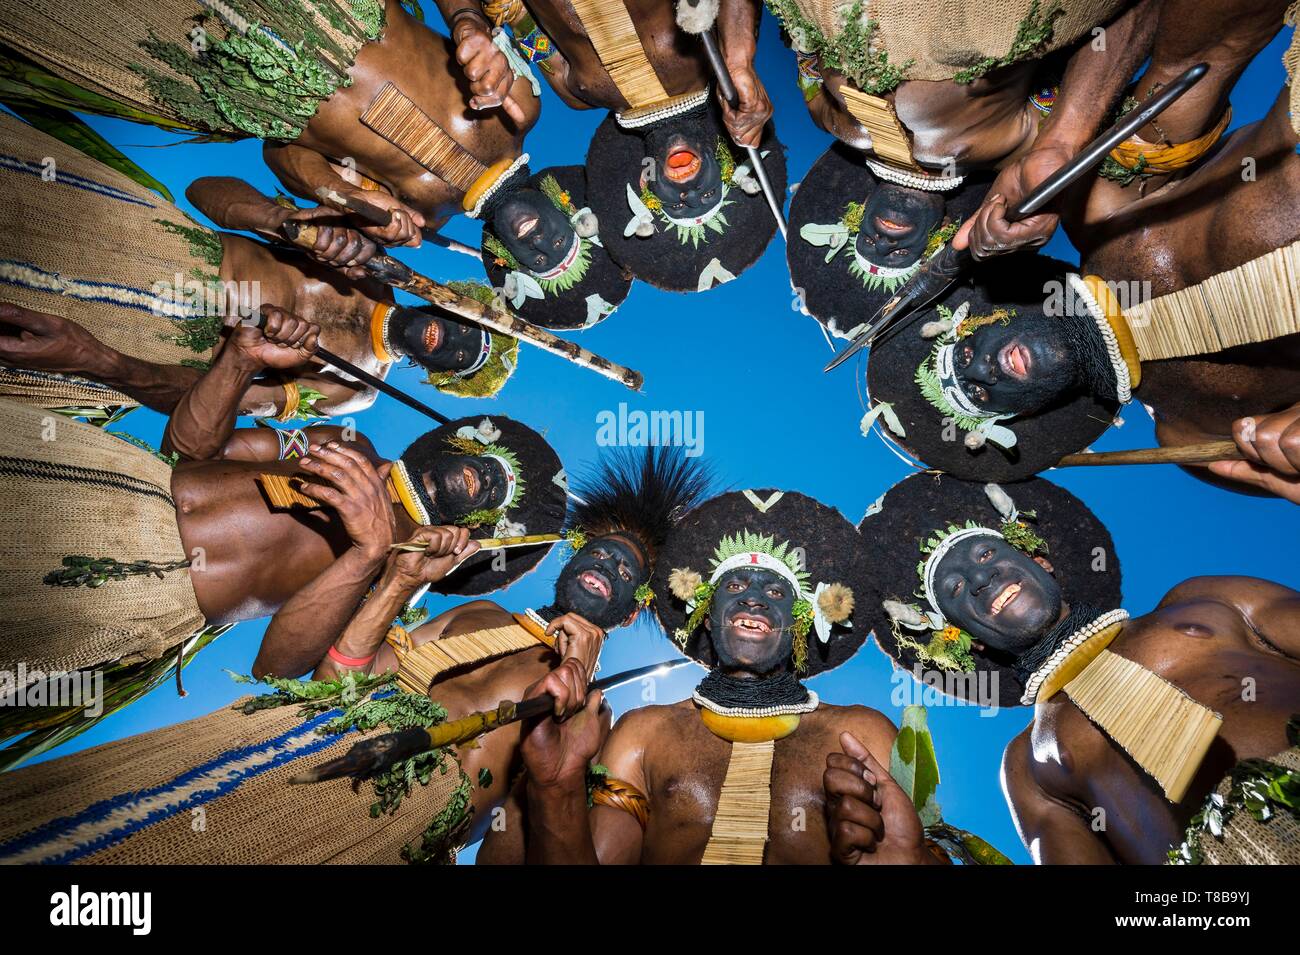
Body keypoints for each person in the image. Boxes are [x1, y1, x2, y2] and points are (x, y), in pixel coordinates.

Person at [0, 445, 710, 864]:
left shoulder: (603, 722)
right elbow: (326, 682)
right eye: (601, 551)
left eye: (626, 574)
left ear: (632, 608)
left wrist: (556, 767)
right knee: (81, 834)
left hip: (383, 832)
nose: (607, 568)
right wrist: (396, 578)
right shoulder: (480, 612)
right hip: (296, 749)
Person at [0, 309, 566, 698]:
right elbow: (188, 452)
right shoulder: (342, 444)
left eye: (502, 491)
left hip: (120, 599)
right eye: (493, 463)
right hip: (90, 483)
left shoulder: (384, 587)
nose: (485, 478)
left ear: (487, 530)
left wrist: (370, 553)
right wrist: (239, 361)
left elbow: (274, 669)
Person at [861, 471, 1300, 864]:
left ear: (1040, 560)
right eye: (956, 588)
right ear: (968, 637)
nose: (980, 580)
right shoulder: (1027, 763)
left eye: (983, 556)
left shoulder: (1204, 601)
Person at [499, 488, 942, 865]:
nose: (753, 601)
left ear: (801, 622)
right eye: (734, 587)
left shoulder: (863, 734)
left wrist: (912, 860)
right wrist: (555, 790)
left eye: (775, 592)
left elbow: (911, 845)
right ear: (708, 617)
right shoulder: (644, 733)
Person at [0, 117, 517, 417]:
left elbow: (214, 403)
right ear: (451, 301)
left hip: (140, 335)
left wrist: (105, 362)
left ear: (440, 380)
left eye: (463, 357)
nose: (451, 340)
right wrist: (285, 219)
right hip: (142, 236)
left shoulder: (351, 391)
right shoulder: (368, 256)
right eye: (469, 327)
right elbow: (203, 190)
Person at [0, 0, 541, 245]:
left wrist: (342, 196)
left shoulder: (419, 218)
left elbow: (280, 152)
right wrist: (470, 25)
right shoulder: (522, 108)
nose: (539, 243)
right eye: (565, 248)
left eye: (539, 264)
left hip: (221, 73)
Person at [482, 0, 785, 291]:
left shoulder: (579, 95)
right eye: (707, 194)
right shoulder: (709, 49)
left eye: (677, 205)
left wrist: (513, 13)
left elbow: (528, 29)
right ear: (722, 162)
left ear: (645, 180)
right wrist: (739, 60)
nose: (689, 194)